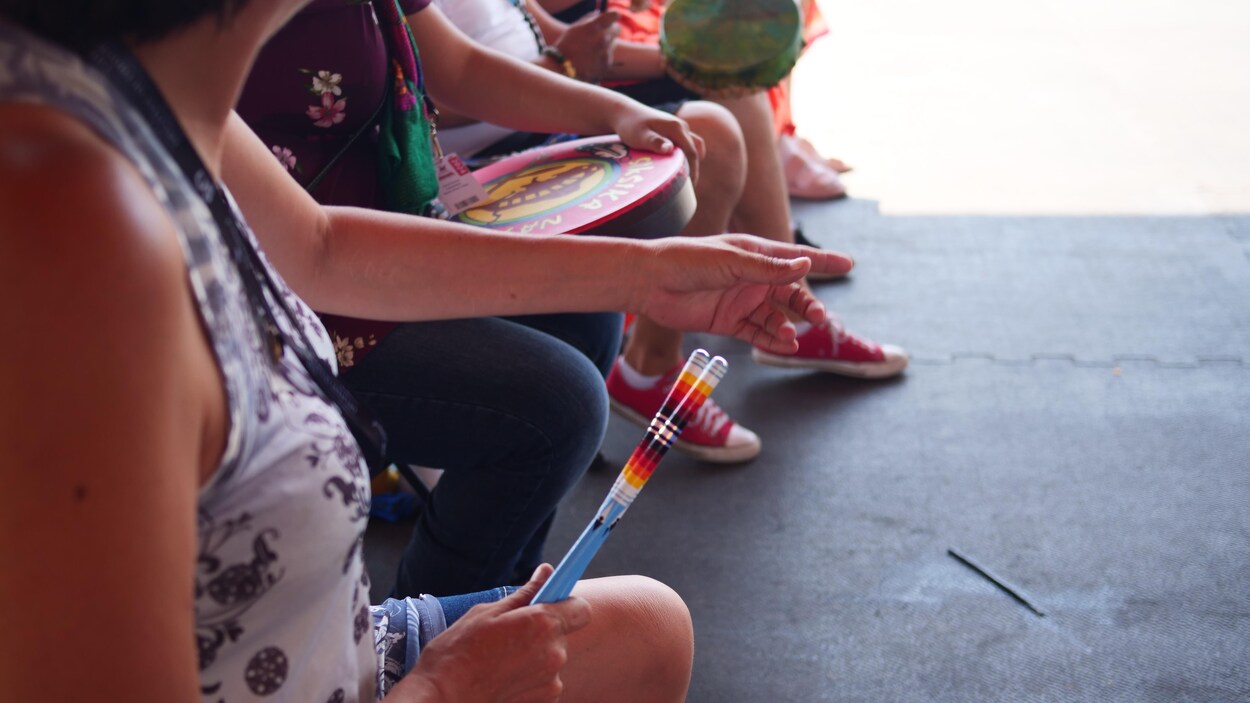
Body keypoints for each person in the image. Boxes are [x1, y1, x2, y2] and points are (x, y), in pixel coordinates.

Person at [0, 1, 855, 701]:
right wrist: (447, 689)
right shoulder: (73, 229)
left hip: (325, 641)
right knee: (555, 411)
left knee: (650, 630)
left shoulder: (140, 88)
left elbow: (326, 250)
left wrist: (646, 276)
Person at [431, 0, 909, 464]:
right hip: (488, 161)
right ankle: (649, 367)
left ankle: (786, 304)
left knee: (728, 97)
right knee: (711, 137)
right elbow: (448, 85)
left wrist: (679, 60)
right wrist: (565, 69)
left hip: (543, 113)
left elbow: (555, 42)